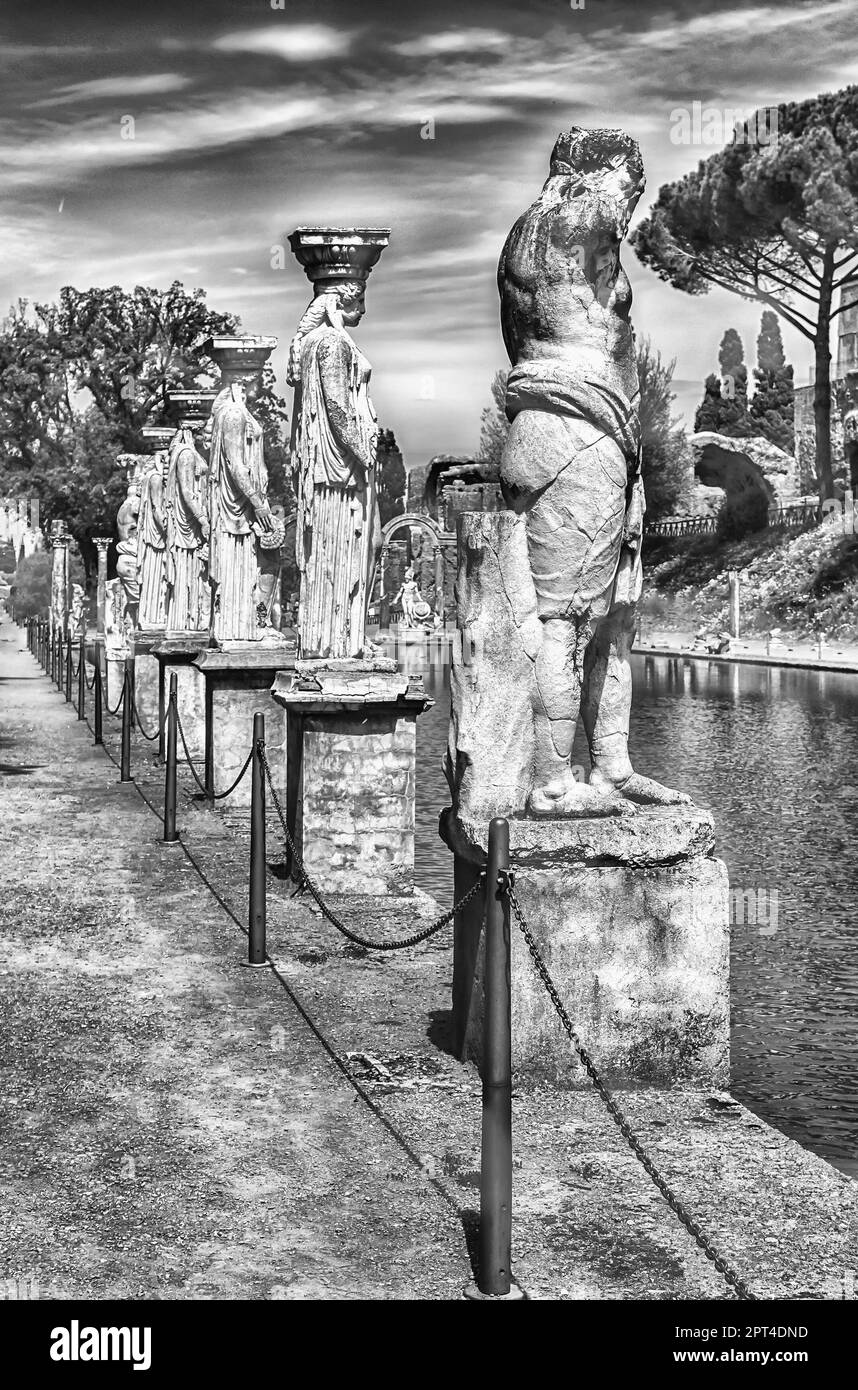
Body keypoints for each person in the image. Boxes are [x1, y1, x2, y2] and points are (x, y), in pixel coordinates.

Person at [287, 280, 380, 659]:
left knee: (338, 550)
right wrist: (364, 453)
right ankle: (340, 642)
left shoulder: (313, 343)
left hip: (332, 469)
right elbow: (339, 408)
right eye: (361, 301)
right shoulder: (333, 344)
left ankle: (338, 638)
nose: (364, 310)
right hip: (339, 471)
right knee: (347, 550)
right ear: (343, 301)